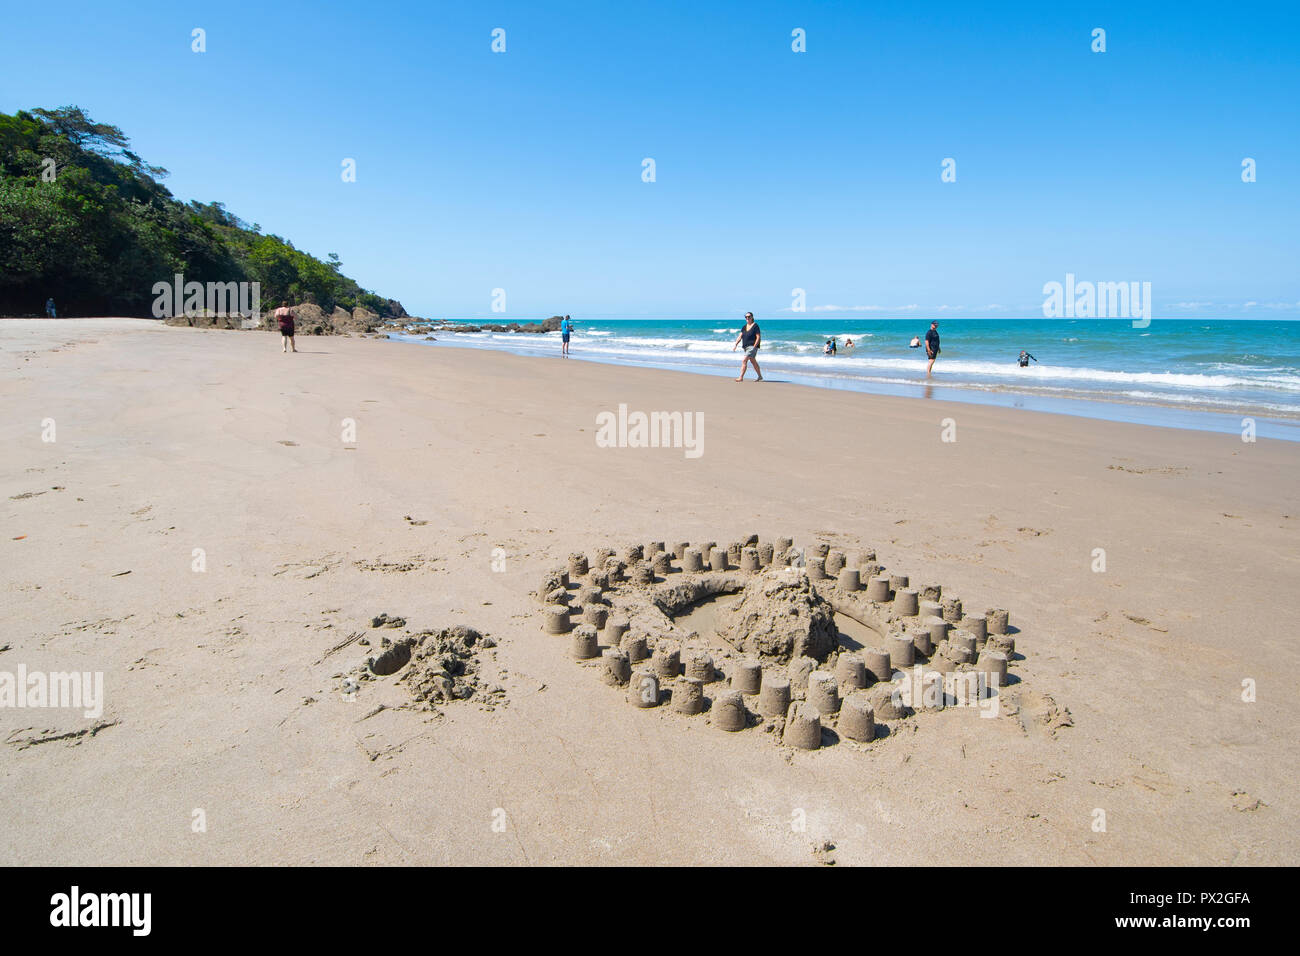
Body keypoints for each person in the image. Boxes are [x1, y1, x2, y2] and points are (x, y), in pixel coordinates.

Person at [732, 312, 763, 382]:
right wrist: (736, 345)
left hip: (752, 346)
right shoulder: (744, 327)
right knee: (753, 361)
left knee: (744, 360)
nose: (747, 318)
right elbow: (740, 336)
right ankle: (760, 376)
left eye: (749, 317)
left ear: (752, 317)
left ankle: (741, 377)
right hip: (745, 347)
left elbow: (758, 337)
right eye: (746, 317)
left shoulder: (755, 326)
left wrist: (754, 347)